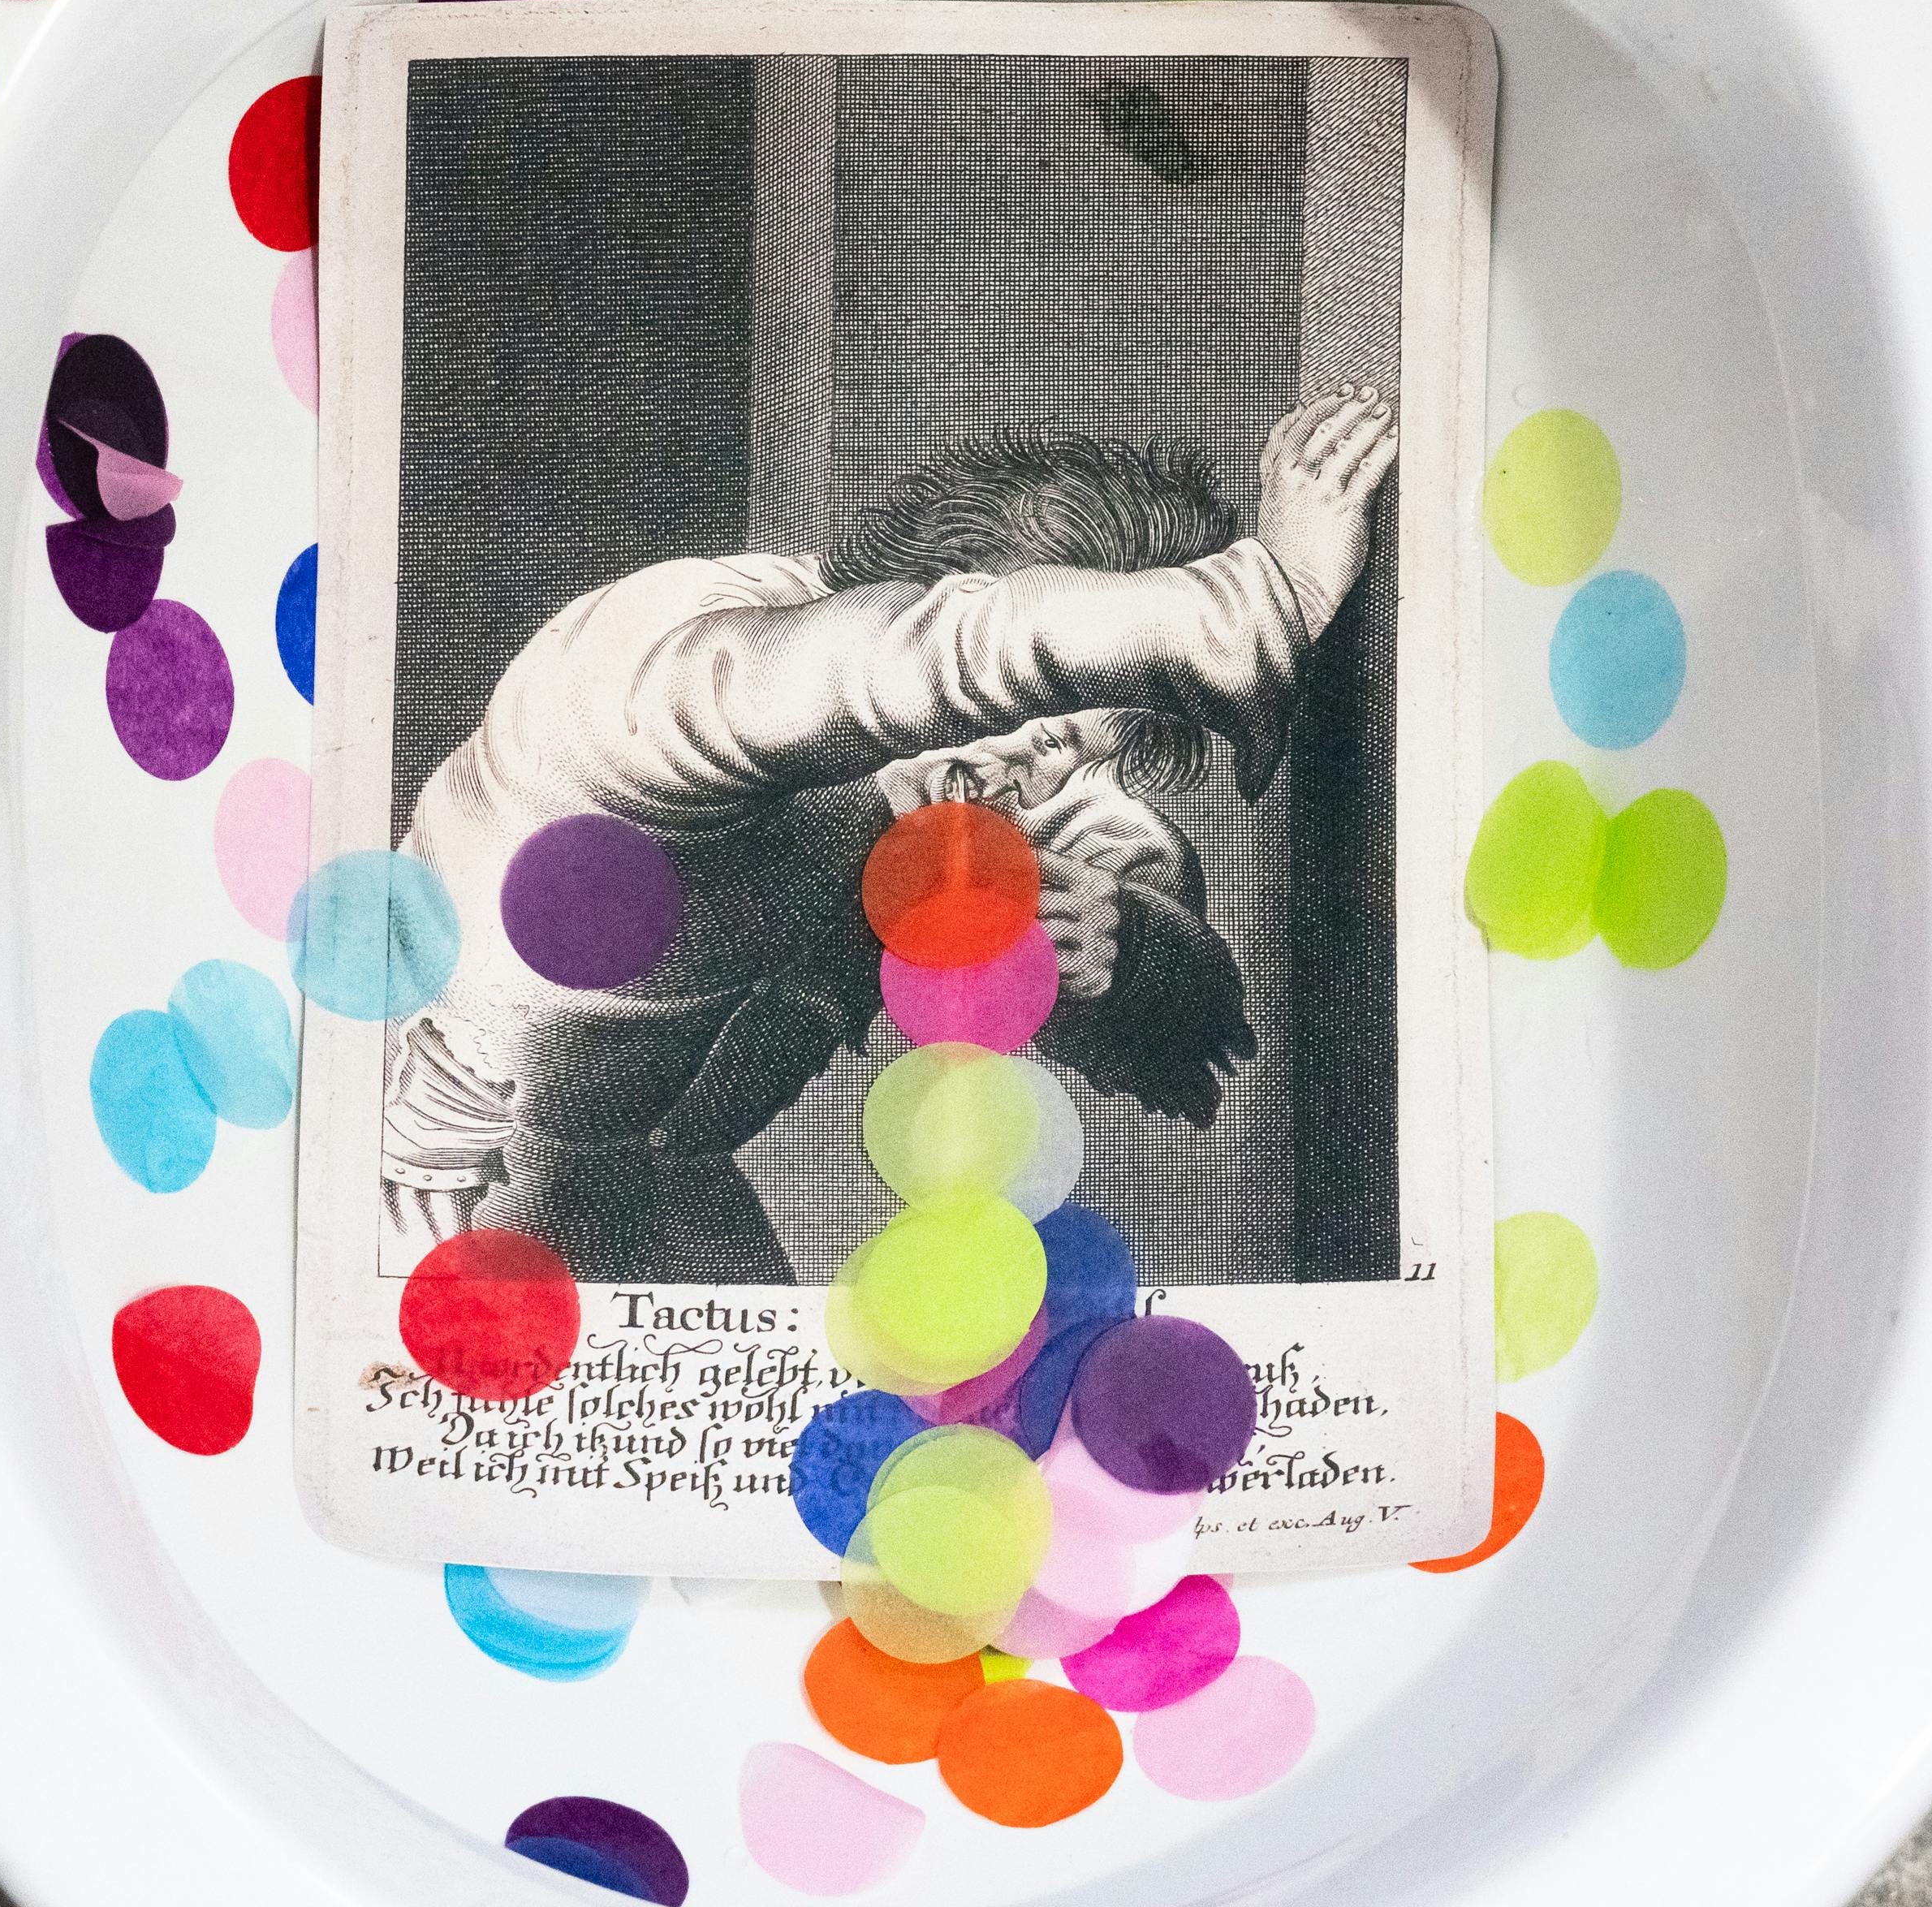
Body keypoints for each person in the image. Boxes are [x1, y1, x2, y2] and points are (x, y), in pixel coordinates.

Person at [377, 385, 1399, 1281]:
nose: (1039, 781)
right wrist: (1278, 596)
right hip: (433, 1183)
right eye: (1046, 730)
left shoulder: (966, 769)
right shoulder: (670, 668)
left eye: (1079, 752)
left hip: (662, 1181)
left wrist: (1128, 942)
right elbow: (929, 660)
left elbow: (1130, 878)